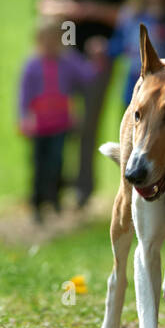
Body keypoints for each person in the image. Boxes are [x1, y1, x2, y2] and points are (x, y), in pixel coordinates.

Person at [37, 0, 128, 209]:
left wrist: (92, 10)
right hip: (63, 58)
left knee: (89, 123)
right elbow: (41, 3)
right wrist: (66, 8)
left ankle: (83, 188)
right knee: (59, 120)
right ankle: (54, 183)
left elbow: (126, 13)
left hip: (98, 58)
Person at [18, 17, 106, 223]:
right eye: (45, 40)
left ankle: (55, 199)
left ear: (60, 40)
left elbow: (88, 76)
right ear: (38, 41)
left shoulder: (68, 61)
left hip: (60, 123)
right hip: (39, 124)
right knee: (39, 163)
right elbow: (23, 94)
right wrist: (24, 117)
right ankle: (37, 202)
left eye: (54, 40)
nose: (50, 45)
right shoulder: (32, 65)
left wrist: (97, 60)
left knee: (57, 162)